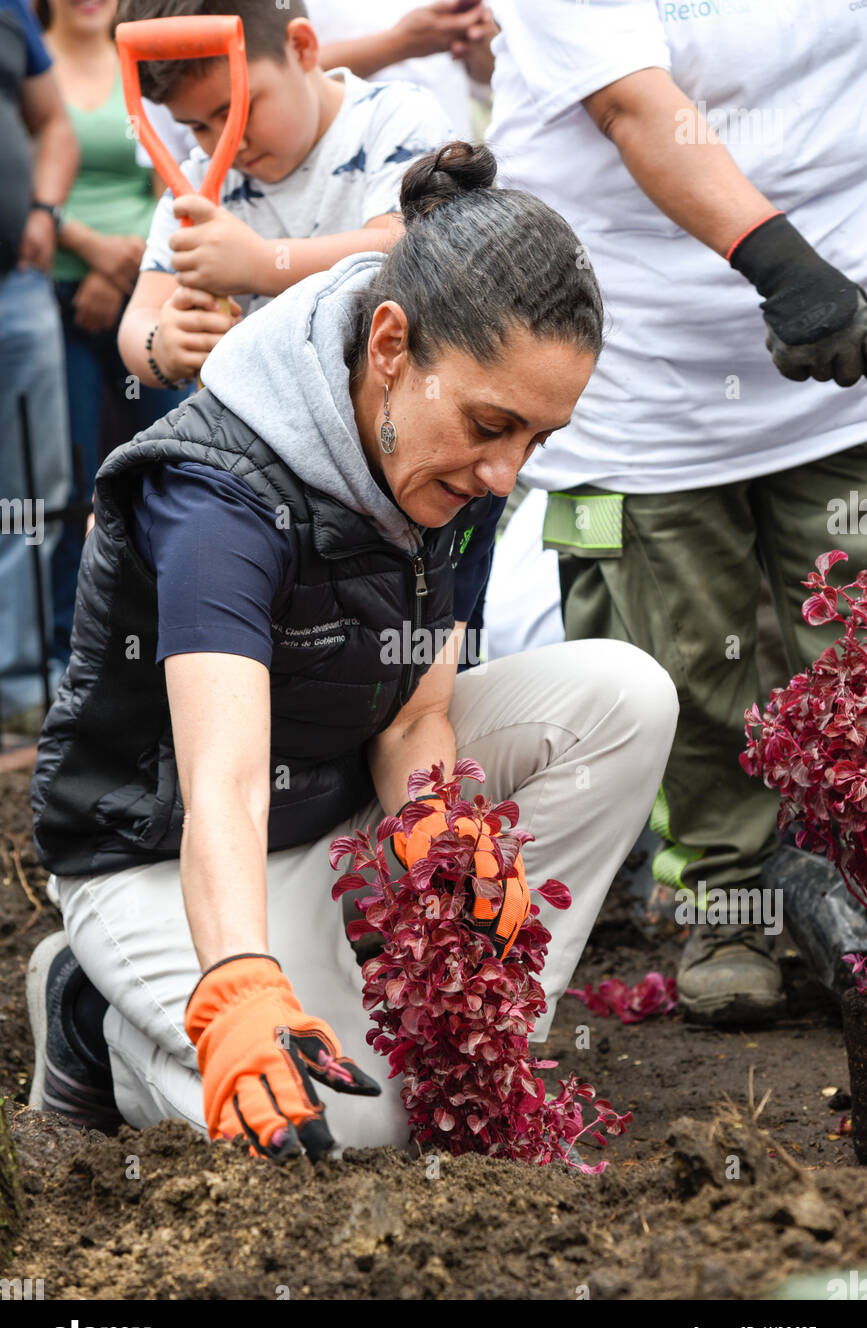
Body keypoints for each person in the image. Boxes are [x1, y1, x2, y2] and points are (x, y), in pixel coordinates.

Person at [27, 143, 678, 1157]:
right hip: (161, 854)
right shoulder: (218, 493)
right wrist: (241, 983)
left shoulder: (450, 468)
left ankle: (478, 1041)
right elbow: (224, 784)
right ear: (388, 343)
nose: (508, 473)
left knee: (624, 695)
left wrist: (433, 814)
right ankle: (90, 1012)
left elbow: (420, 710)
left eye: (536, 441)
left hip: (322, 814)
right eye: (493, 424)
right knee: (355, 1126)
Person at [486, 0, 867, 1025]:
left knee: (852, 644)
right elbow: (636, 105)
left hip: (844, 352)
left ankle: (851, 890)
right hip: (649, 363)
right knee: (692, 658)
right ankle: (728, 903)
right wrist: (790, 275)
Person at [116, 0, 454, 392]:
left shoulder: (395, 118)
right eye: (196, 126)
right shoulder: (197, 184)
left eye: (239, 109)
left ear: (301, 47)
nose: (231, 143)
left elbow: (406, 246)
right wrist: (162, 346)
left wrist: (260, 264)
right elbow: (139, 317)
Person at [37, 0, 189, 672]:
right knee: (66, 475)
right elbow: (22, 175)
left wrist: (125, 258)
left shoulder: (141, 66)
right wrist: (91, 252)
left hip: (142, 283)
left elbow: (170, 176)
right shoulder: (28, 62)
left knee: (161, 459)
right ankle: (69, 644)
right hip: (57, 292)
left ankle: (159, 629)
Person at [0, 0, 77, 734]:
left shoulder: (10, 13)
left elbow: (53, 122)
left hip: (17, 288)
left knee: (32, 491)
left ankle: (20, 687)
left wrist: (44, 209)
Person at [307, 0, 498, 141]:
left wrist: (483, 45)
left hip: (451, 162)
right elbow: (288, 70)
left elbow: (484, 80)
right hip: (355, 165)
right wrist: (400, 43)